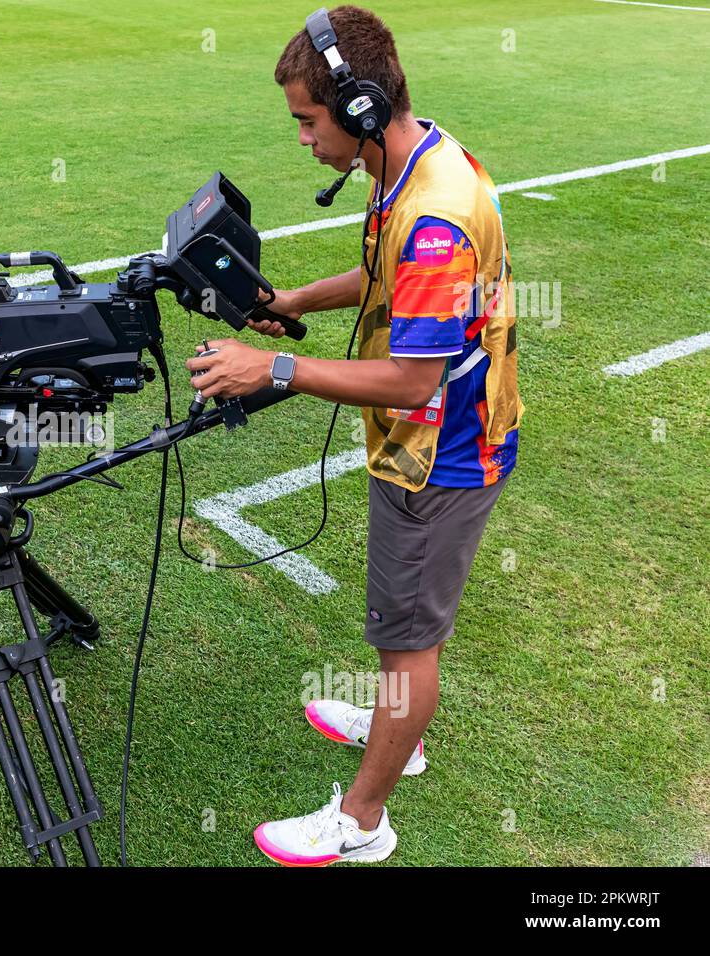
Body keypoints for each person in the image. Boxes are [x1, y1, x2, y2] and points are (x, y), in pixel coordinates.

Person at [184, 4, 523, 866]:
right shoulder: (412, 160)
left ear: (360, 109)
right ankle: (392, 730)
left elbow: (412, 379)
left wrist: (276, 371)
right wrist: (290, 303)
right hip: (430, 441)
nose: (301, 138)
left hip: (440, 452)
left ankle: (365, 819)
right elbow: (382, 276)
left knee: (410, 642)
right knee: (398, 622)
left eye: (307, 119)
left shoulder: (436, 216)